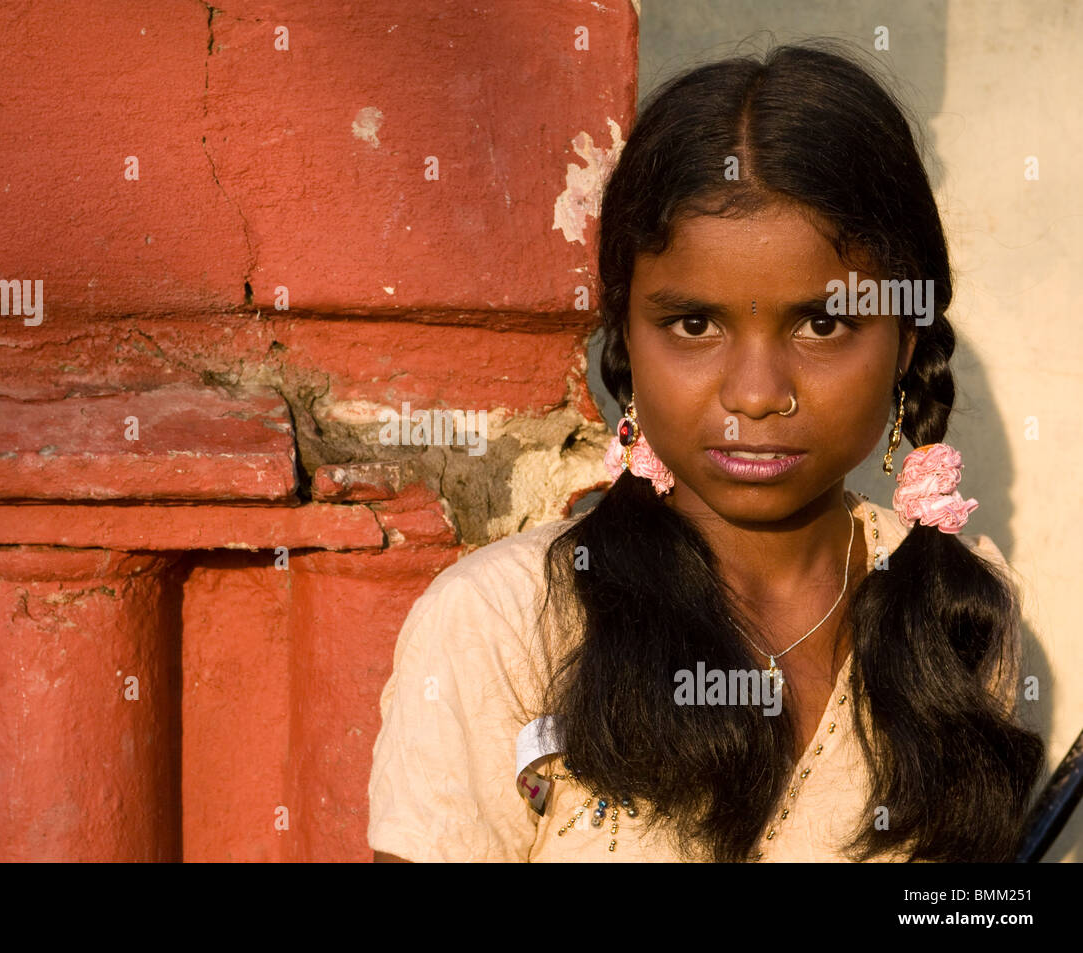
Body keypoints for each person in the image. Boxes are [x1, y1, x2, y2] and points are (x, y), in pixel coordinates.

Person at [367, 40, 1045, 863]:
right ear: (626, 336)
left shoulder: (957, 617)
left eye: (822, 323)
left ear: (906, 341)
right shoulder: (507, 623)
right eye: (694, 324)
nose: (756, 392)